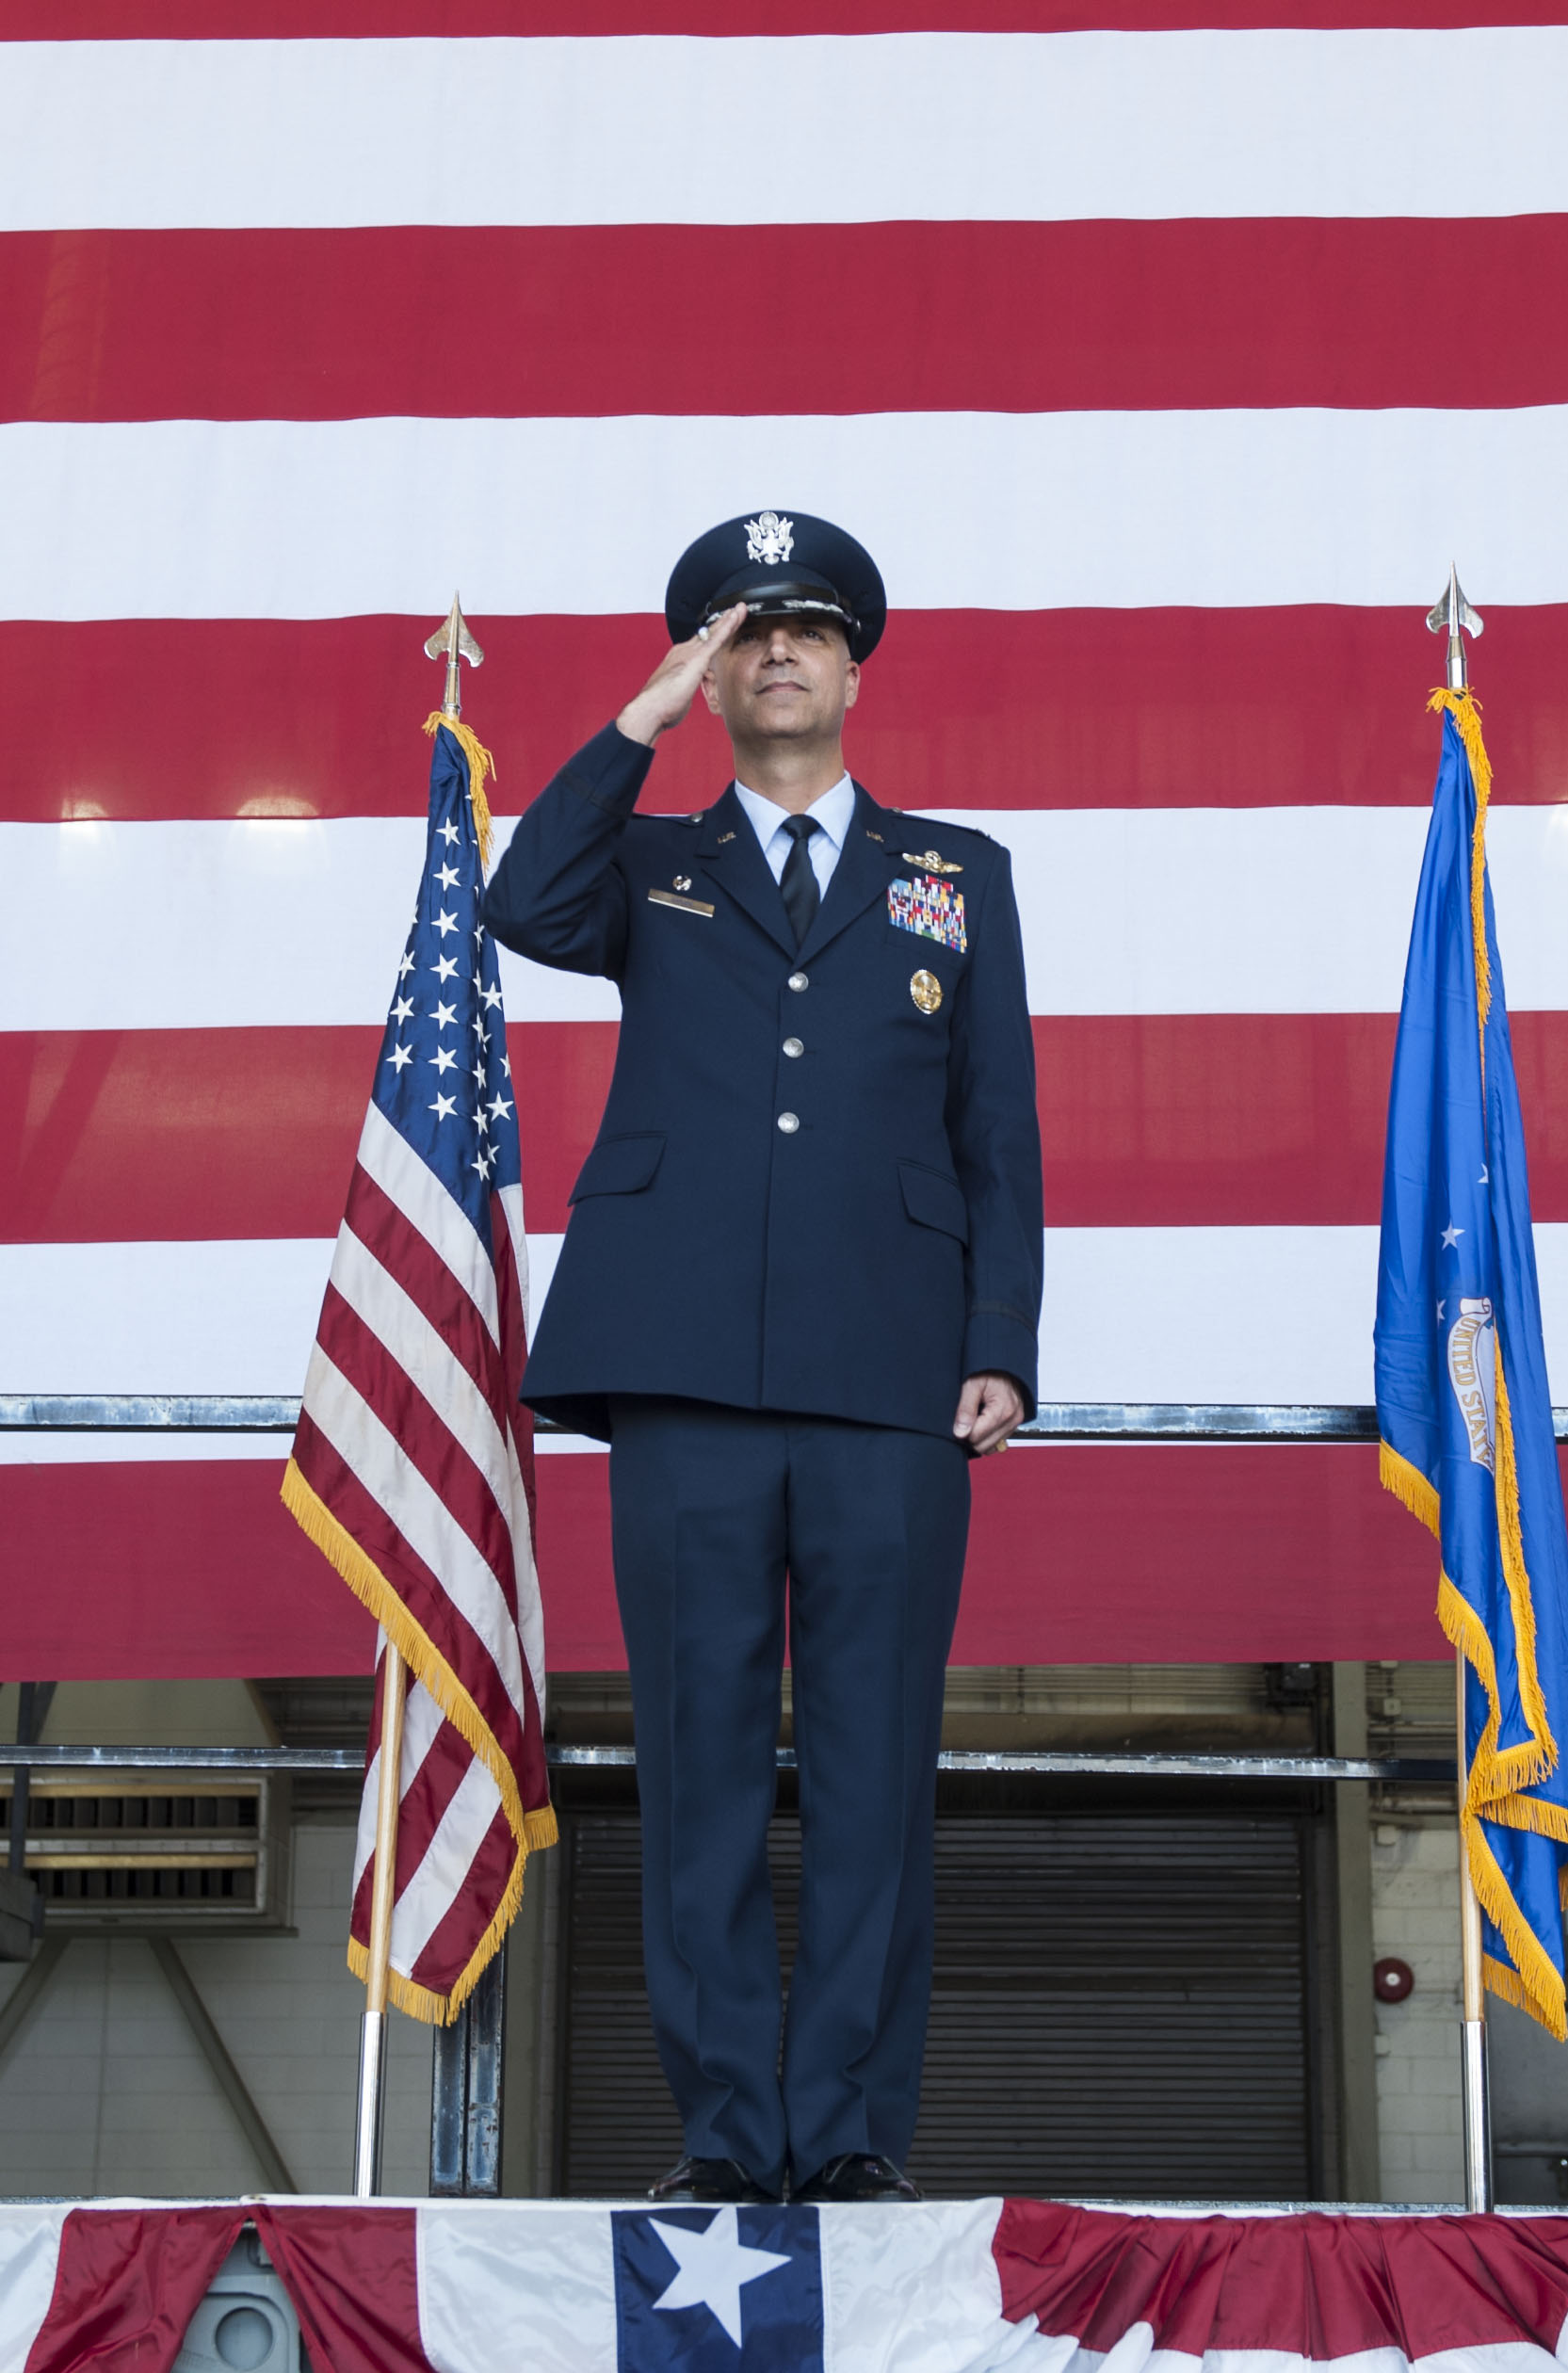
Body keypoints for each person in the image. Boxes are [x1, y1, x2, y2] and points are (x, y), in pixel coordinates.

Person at [482, 509, 1043, 2205]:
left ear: (855, 669)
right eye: (742, 634)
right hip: (682, 1369)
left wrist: (1001, 1342)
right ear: (712, 677)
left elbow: (995, 1128)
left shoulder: (958, 873)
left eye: (807, 630)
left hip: (894, 1371)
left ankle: (853, 2132)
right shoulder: (652, 862)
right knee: (699, 1764)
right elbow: (522, 904)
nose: (778, 652)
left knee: (876, 1770)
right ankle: (730, 2130)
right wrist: (636, 723)